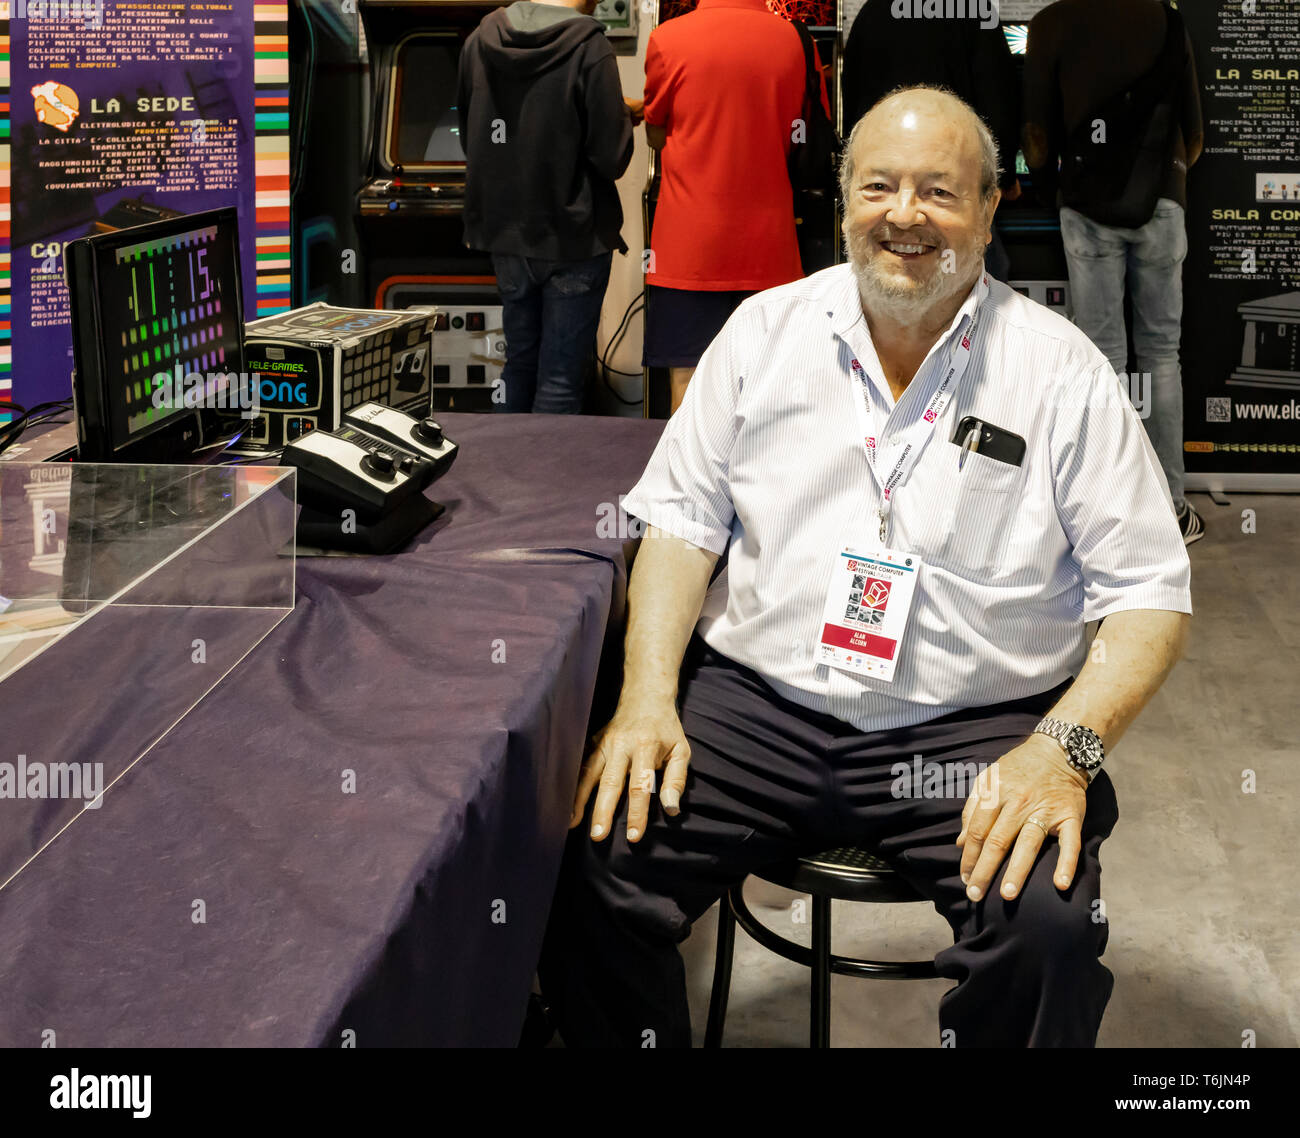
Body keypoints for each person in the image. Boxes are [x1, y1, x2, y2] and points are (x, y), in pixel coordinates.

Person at [537, 85, 1192, 1048]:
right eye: (879, 186)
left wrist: (1066, 753)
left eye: (939, 191)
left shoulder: (1062, 374)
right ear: (843, 202)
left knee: (1045, 934)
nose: (905, 215)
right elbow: (680, 521)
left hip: (979, 729)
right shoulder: (764, 333)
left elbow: (1149, 596)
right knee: (587, 870)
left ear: (990, 207)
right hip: (759, 707)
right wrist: (645, 698)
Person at [1023, 0, 1205, 543]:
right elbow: (1193, 136)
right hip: (1163, 202)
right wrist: (1151, 179)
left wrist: (1046, 180)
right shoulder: (1167, 17)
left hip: (1086, 206)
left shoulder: (1052, 21)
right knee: (1161, 353)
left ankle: (1108, 512)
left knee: (1102, 356)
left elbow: (1035, 138)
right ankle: (1170, 510)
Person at [640, 0, 829, 414]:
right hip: (771, 245)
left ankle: (689, 480)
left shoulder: (667, 37)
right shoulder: (796, 39)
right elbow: (803, 132)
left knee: (688, 382)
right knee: (769, 386)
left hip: (688, 246)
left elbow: (656, 134)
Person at [457, 0, 637, 414]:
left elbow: (473, 140)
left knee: (519, 363)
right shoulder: (590, 46)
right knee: (560, 378)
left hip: (504, 233)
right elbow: (611, 156)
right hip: (573, 236)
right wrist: (623, 117)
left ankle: (506, 475)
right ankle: (545, 479)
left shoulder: (480, 38)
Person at [840, 0, 1023, 282]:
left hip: (885, 187)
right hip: (951, 187)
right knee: (975, 280)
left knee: (885, 281)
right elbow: (1000, 99)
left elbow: (853, 106)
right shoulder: (973, 10)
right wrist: (1005, 176)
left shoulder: (872, 11)